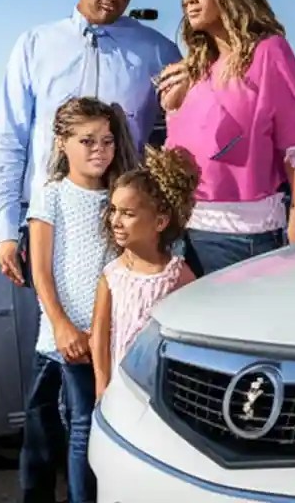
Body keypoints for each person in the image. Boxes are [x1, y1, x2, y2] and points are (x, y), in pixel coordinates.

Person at [0, 0, 182, 288]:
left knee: (124, 334)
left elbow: (182, 135)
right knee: (59, 335)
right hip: (50, 224)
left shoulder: (158, 51)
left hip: (127, 226)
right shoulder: (35, 45)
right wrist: (5, 229)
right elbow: (9, 139)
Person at [154, 0, 295, 276]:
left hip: (242, 238)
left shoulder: (270, 52)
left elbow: (294, 149)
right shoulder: (195, 68)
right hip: (181, 235)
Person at [21, 96, 137, 503]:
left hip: (100, 336)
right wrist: (61, 325)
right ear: (61, 143)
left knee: (87, 424)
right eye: (87, 141)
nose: (99, 151)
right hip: (59, 335)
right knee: (44, 425)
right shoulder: (51, 194)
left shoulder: (120, 196)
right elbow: (41, 270)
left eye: (106, 141)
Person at [91, 146, 200, 399]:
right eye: (114, 210)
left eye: (128, 214)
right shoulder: (112, 275)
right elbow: (99, 336)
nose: (115, 220)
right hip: (119, 389)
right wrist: (102, 385)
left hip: (160, 391)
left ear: (159, 222)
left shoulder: (177, 275)